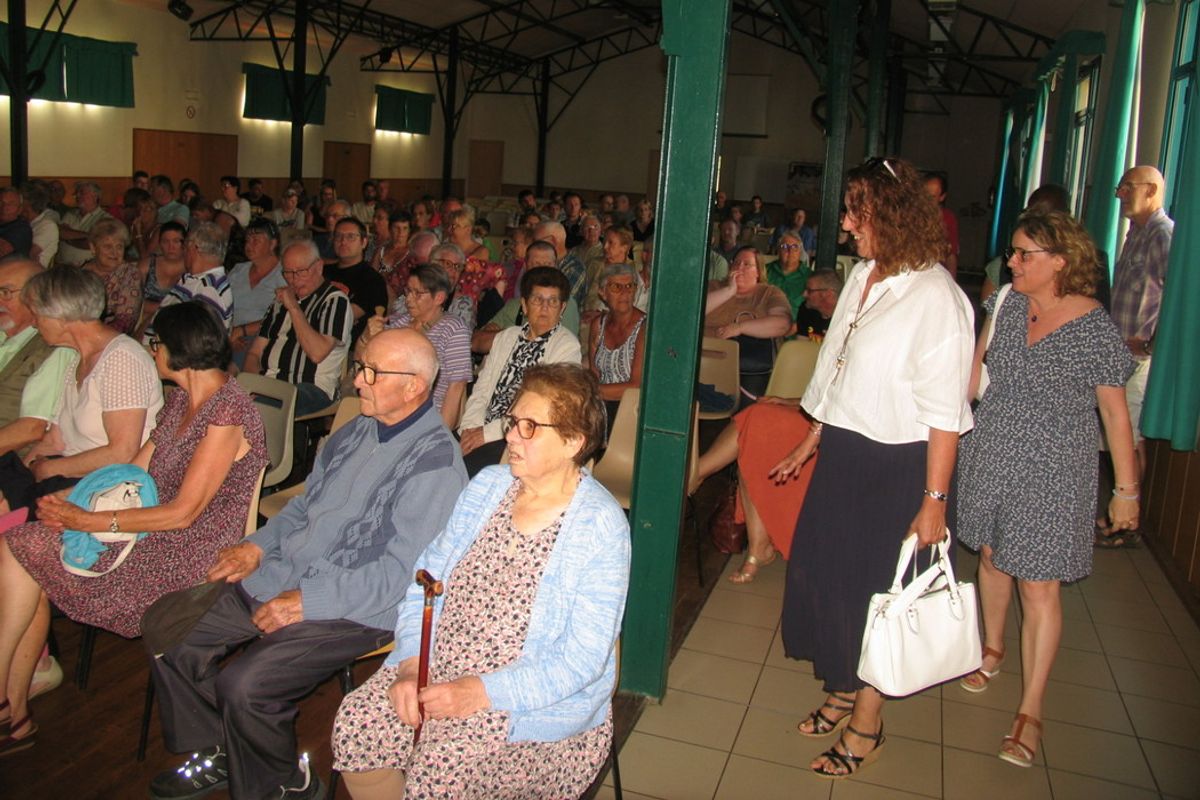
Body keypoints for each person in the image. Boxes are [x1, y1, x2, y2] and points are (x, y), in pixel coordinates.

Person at [143, 328, 467, 800]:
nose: (358, 382)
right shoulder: (358, 428)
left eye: (371, 373)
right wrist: (258, 545)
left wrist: (307, 601)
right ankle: (218, 747)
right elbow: (303, 507)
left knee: (246, 685)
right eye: (361, 368)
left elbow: (401, 577)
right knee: (169, 626)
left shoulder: (436, 464)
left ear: (414, 386)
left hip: (357, 606)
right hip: (289, 570)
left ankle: (284, 785)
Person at [332, 363, 628, 800]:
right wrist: (412, 662)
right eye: (513, 422)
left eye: (530, 427)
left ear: (572, 442)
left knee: (443, 762)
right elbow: (425, 581)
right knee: (357, 721)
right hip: (437, 663)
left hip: (526, 697)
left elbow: (580, 662)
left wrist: (478, 692)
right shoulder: (488, 487)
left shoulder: (600, 526)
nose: (510, 437)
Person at [772, 157, 973, 779]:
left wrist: (934, 500)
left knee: (873, 593)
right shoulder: (864, 275)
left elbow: (946, 412)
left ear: (890, 213)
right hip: (847, 453)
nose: (847, 226)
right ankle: (841, 682)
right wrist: (813, 437)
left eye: (858, 212)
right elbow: (838, 364)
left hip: (900, 466)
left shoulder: (937, 297)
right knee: (825, 577)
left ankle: (867, 721)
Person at [0, 302, 266, 758]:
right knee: (21, 544)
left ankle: (10, 708)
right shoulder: (184, 398)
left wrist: (89, 520)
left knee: (26, 550)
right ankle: (13, 708)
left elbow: (184, 513)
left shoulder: (228, 412)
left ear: (172, 349)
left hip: (187, 550)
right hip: (148, 526)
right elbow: (133, 469)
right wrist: (77, 499)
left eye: (155, 343)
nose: (152, 351)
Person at [956, 210, 1138, 767]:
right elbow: (971, 377)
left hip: (1055, 472)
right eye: (1012, 251)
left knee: (1039, 586)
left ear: (1060, 261)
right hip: (990, 454)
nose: (1011, 262)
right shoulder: (1005, 303)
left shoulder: (1093, 326)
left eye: (1022, 253)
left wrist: (1125, 490)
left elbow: (1114, 413)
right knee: (989, 557)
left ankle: (1030, 710)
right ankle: (992, 647)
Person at [694, 272, 845, 583]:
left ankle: (696, 473)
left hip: (837, 421)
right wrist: (788, 399)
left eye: (812, 290)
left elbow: (843, 393)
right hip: (814, 406)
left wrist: (790, 402)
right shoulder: (809, 315)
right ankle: (757, 548)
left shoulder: (849, 324)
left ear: (830, 294)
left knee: (757, 420)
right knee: (758, 422)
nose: (804, 295)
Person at [1, 267, 163, 513]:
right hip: (65, 476)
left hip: (105, 486)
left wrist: (49, 469)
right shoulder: (77, 359)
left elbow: (123, 452)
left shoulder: (122, 360)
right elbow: (54, 441)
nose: (34, 323)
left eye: (38, 315)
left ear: (61, 317)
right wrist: (19, 483)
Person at [1097, 166, 1174, 547]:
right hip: (1119, 354)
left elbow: (1175, 299)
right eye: (1120, 185)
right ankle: (1118, 512)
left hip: (1139, 360)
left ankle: (1128, 524)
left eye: (1126, 187)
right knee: (1118, 437)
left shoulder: (1163, 234)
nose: (1119, 194)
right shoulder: (1136, 234)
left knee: (1131, 439)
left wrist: (1149, 344)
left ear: (1151, 190)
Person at [459, 268, 581, 475]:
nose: (544, 307)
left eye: (552, 302)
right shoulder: (507, 337)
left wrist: (485, 434)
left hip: (523, 435)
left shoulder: (567, 346)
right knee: (439, 453)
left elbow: (545, 407)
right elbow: (482, 388)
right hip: (481, 428)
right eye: (537, 300)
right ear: (524, 305)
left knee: (469, 470)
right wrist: (469, 429)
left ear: (562, 308)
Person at [245, 239, 353, 416]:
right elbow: (254, 353)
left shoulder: (335, 301)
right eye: (287, 272)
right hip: (270, 384)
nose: (293, 280)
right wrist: (254, 384)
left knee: (262, 407)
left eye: (300, 272)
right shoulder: (279, 304)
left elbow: (317, 353)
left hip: (311, 387)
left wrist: (294, 308)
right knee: (220, 398)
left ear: (319, 267)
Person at [359, 263, 472, 429]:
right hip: (386, 410)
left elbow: (456, 386)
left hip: (426, 417)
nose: (409, 298)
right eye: (408, 291)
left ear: (439, 298)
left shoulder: (453, 329)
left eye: (418, 293)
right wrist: (366, 337)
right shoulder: (398, 322)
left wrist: (441, 435)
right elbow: (361, 361)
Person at [0, 259, 73, 463]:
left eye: (5, 292)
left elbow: (31, 429)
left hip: (10, 463)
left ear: (36, 296)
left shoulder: (54, 348)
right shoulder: (3, 334)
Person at [703, 245, 791, 400]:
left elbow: (782, 324)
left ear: (758, 271)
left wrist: (740, 327)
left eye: (747, 264)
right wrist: (729, 291)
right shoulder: (713, 286)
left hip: (747, 370)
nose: (740, 268)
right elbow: (692, 314)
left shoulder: (769, 293)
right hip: (704, 363)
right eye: (736, 263)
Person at [471, 242, 582, 355]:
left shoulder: (564, 303)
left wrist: (504, 335)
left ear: (556, 266)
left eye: (548, 264)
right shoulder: (515, 305)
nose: (542, 270)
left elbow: (560, 347)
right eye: (536, 264)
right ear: (526, 266)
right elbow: (478, 340)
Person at [143, 221, 233, 341]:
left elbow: (194, 347)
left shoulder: (209, 290)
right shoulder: (193, 278)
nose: (183, 251)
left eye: (184, 245)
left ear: (193, 248)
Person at [588, 263, 646, 420]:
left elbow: (635, 386)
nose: (624, 292)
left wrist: (590, 391)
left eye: (629, 286)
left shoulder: (645, 328)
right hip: (602, 404)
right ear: (603, 293)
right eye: (616, 287)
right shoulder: (598, 325)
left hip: (633, 409)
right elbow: (594, 372)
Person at [227, 218, 287, 367]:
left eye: (256, 240)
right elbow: (222, 305)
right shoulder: (238, 270)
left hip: (261, 336)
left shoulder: (284, 275)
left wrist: (241, 331)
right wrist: (229, 333)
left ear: (272, 244)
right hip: (229, 334)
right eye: (247, 240)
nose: (249, 245)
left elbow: (283, 317)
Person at [325, 216, 388, 344]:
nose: (343, 242)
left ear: (364, 242)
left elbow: (343, 317)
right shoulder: (321, 271)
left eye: (350, 237)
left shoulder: (372, 280)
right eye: (338, 236)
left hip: (349, 347)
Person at [82, 218, 143, 336]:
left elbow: (125, 322)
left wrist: (92, 335)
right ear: (93, 248)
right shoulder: (82, 270)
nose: (114, 252)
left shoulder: (130, 274)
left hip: (107, 338)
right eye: (108, 246)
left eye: (119, 247)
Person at [136, 221, 188, 339]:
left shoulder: (191, 269)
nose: (171, 247)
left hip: (177, 326)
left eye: (176, 241)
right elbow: (134, 301)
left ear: (184, 244)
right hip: (142, 320)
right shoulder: (145, 266)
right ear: (160, 244)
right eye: (166, 242)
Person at [56, 182, 113, 267]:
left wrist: (68, 238)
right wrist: (88, 234)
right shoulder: (70, 214)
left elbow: (91, 244)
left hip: (87, 270)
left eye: (81, 193)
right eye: (76, 193)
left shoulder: (105, 219)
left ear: (95, 196)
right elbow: (61, 233)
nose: (77, 196)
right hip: (63, 267)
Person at [767, 231, 811, 318]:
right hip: (767, 323)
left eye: (795, 247)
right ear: (778, 251)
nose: (790, 251)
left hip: (797, 326)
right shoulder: (764, 271)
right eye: (785, 246)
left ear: (800, 252)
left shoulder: (810, 276)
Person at [924, 171, 959, 277]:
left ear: (942, 197)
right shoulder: (908, 215)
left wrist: (952, 282)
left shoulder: (948, 219)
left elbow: (951, 255)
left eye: (932, 197)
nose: (927, 200)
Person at [20, 182, 58, 268]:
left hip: (35, 274)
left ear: (27, 203)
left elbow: (30, 254)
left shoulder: (47, 225)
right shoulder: (23, 222)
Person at [794, 270, 842, 338]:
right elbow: (801, 344)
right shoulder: (805, 311)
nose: (804, 294)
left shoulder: (847, 318)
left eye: (809, 291)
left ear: (828, 294)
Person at [0, 188, 33, 259]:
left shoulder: (22, 228)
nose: (5, 207)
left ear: (20, 209)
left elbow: (3, 250)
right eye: (1, 202)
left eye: (11, 204)